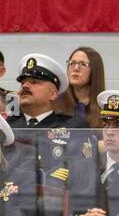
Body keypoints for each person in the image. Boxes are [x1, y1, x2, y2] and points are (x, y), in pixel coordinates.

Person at [8, 53, 77, 181]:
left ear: (53, 94)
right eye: (23, 82)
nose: (25, 86)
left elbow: (81, 178)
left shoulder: (71, 128)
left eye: (34, 82)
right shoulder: (7, 127)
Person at [53, 46, 105, 127]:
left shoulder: (105, 109)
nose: (76, 68)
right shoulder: (54, 104)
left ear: (95, 70)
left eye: (83, 64)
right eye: (72, 63)